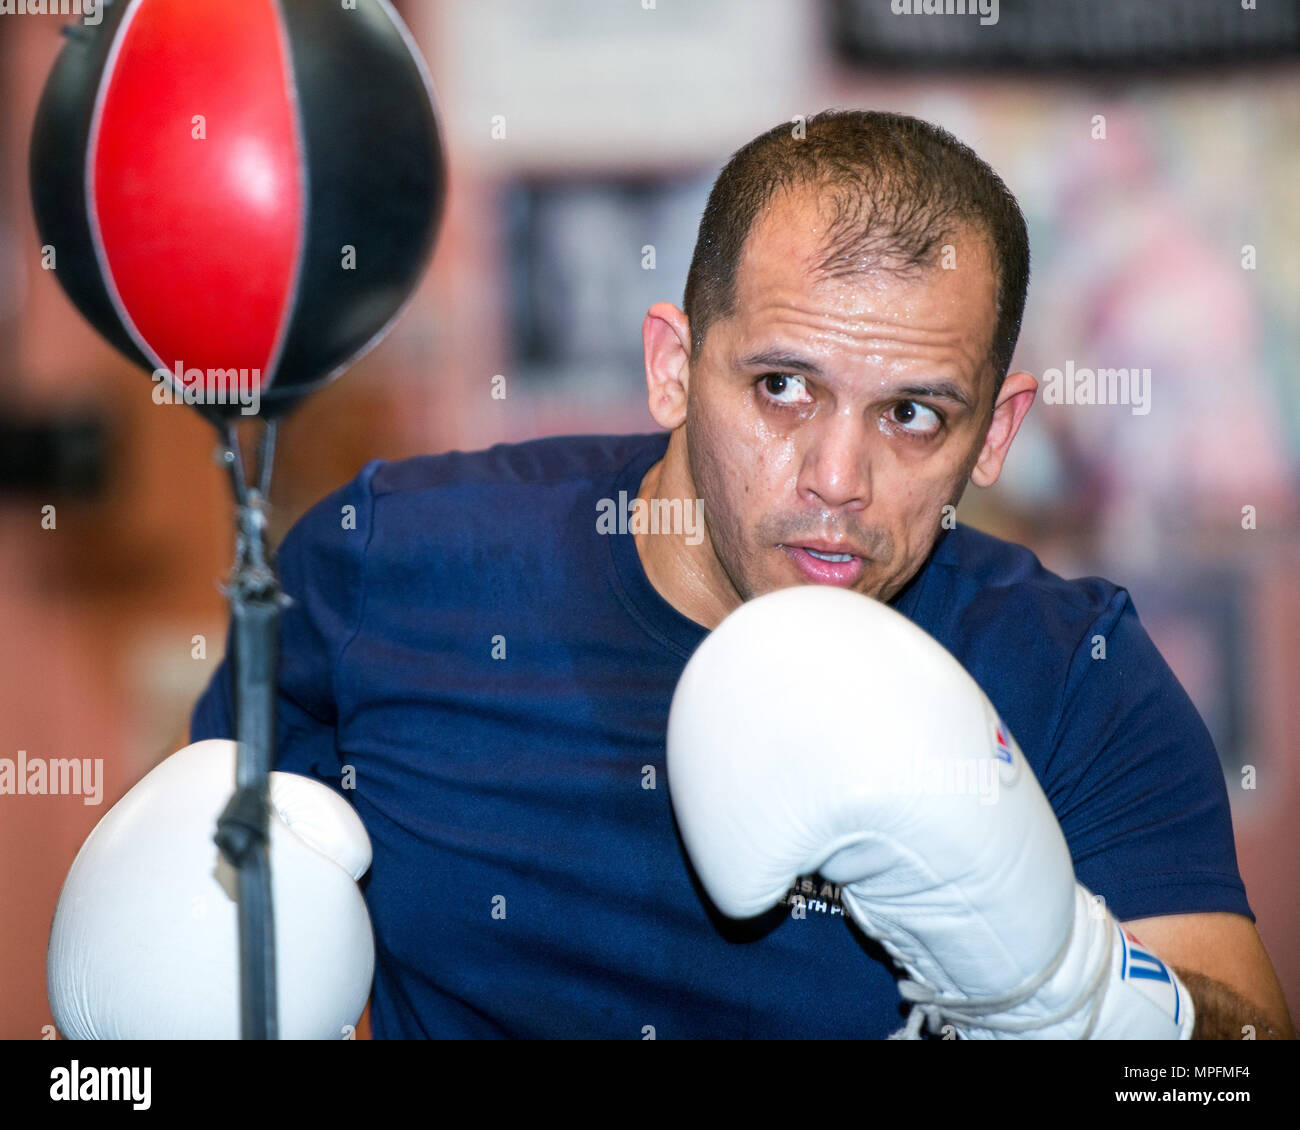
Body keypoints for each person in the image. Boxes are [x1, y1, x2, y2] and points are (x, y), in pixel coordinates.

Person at [182, 109, 1290, 1038]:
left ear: (994, 435)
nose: (837, 478)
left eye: (912, 413)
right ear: (672, 366)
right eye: (782, 386)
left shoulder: (1071, 672)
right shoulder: (396, 563)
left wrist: (1069, 992)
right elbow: (204, 907)